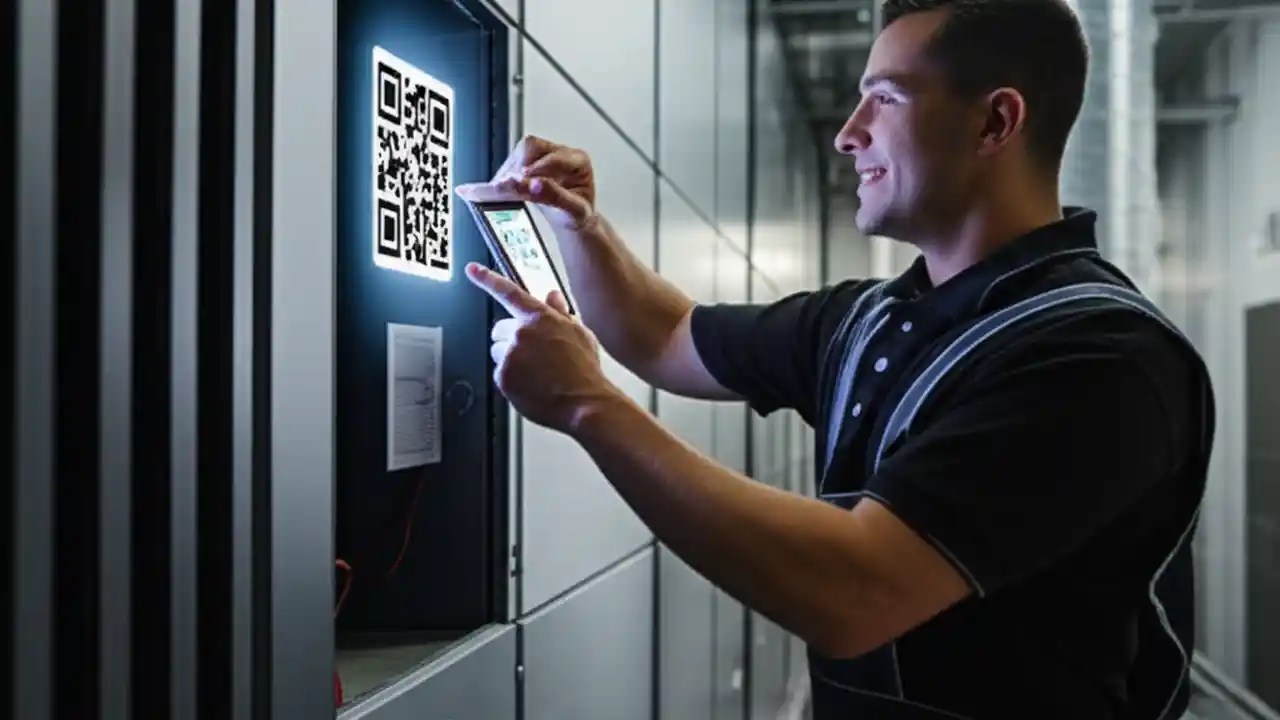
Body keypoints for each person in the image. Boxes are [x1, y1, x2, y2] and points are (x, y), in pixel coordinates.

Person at [456, 0, 1215, 717]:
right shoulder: (866, 319)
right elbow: (663, 333)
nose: (848, 133)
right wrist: (581, 228)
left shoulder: (1102, 359)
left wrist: (589, 407)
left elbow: (859, 593)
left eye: (884, 99)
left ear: (995, 121)